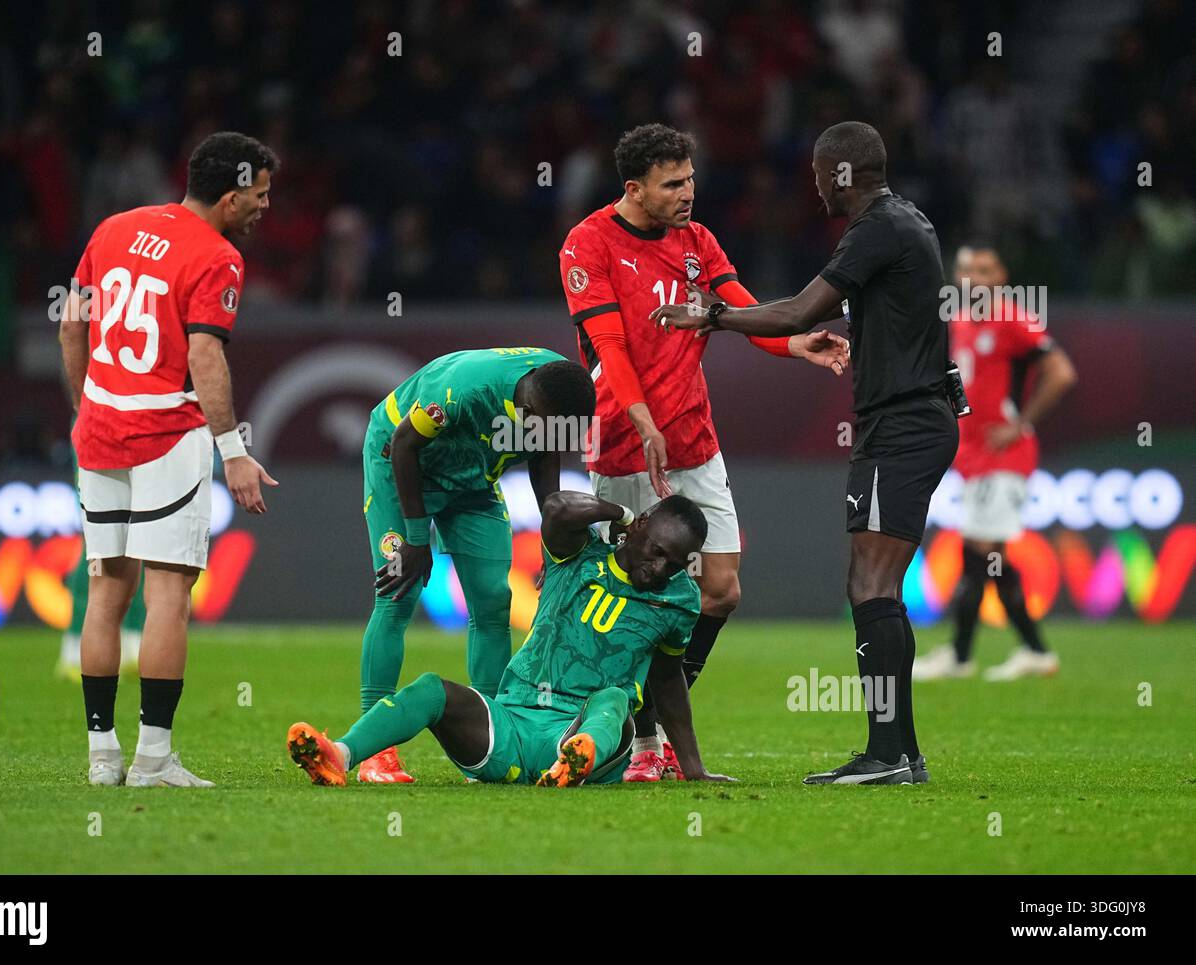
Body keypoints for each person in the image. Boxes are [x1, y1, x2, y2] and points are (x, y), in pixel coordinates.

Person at [657, 121, 956, 785]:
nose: (814, 184)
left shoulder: (879, 227)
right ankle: (899, 753)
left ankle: (889, 755)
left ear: (842, 173)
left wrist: (713, 317)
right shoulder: (909, 222)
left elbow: (799, 313)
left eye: (820, 173)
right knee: (876, 587)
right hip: (913, 418)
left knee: (870, 585)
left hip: (901, 423)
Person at [559, 123, 850, 781]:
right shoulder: (587, 243)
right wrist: (641, 418)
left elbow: (740, 310)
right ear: (634, 189)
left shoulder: (697, 241)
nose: (688, 192)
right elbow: (610, 347)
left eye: (690, 178)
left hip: (693, 441)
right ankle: (638, 748)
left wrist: (797, 341)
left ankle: (653, 725)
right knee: (641, 599)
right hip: (626, 450)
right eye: (672, 184)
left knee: (719, 589)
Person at [59, 131, 280, 787]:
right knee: (165, 598)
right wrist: (234, 452)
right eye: (261, 195)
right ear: (232, 193)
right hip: (167, 436)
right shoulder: (218, 257)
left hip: (98, 433)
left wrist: (83, 410)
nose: (266, 207)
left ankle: (102, 758)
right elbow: (204, 356)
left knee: (104, 593)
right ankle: (153, 758)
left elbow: (72, 322)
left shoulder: (113, 229)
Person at [287, 491, 731, 787]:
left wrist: (694, 769)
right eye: (656, 551)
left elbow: (669, 681)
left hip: (589, 726)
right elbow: (557, 508)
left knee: (615, 698)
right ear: (641, 526)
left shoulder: (679, 600)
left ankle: (578, 757)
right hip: (509, 724)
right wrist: (622, 513)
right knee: (430, 689)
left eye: (672, 563)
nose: (658, 569)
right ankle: (339, 755)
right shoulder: (575, 555)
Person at [355, 348, 596, 782]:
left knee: (492, 601)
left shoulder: (556, 390)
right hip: (400, 464)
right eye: (545, 428)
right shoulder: (461, 393)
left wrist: (553, 542)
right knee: (397, 595)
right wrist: (414, 540)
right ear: (525, 410)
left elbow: (545, 462)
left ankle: (488, 734)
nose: (553, 436)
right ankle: (376, 749)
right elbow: (405, 445)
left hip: (471, 481)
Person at [915, 245, 1077, 682]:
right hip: (973, 458)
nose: (974, 278)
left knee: (978, 552)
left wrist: (1020, 423)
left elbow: (1061, 372)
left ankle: (960, 656)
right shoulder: (961, 323)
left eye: (984, 270)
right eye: (966, 270)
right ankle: (1034, 651)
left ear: (1001, 275)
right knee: (990, 558)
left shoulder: (1011, 317)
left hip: (1003, 456)